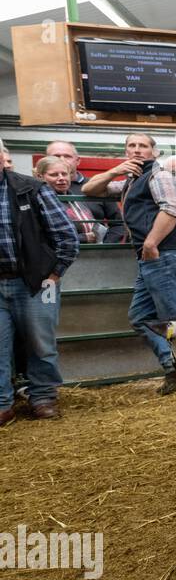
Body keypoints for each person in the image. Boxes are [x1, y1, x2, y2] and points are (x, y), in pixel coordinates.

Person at [82, 138, 176, 395]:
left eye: (142, 146)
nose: (136, 150)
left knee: (173, 322)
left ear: (154, 151)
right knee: (141, 317)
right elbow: (90, 189)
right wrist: (114, 171)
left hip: (164, 253)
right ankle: (173, 367)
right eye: (131, 146)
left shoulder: (159, 175)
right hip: (153, 256)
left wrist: (151, 243)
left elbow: (171, 209)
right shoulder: (132, 180)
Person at [0, 155, 79, 424]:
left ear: (2, 158)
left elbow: (66, 234)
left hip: (36, 281)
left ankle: (43, 396)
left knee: (40, 341)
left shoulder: (31, 188)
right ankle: (3, 403)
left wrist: (56, 272)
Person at [46, 140, 125, 243]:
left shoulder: (95, 186)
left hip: (96, 254)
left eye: (67, 156)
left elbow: (118, 223)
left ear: (78, 160)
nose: (61, 160)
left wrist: (104, 247)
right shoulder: (40, 190)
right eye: (56, 156)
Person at [35, 156, 97, 243]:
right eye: (54, 175)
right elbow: (42, 237)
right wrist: (83, 238)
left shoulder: (74, 198)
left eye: (64, 174)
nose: (61, 178)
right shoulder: (38, 201)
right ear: (40, 176)